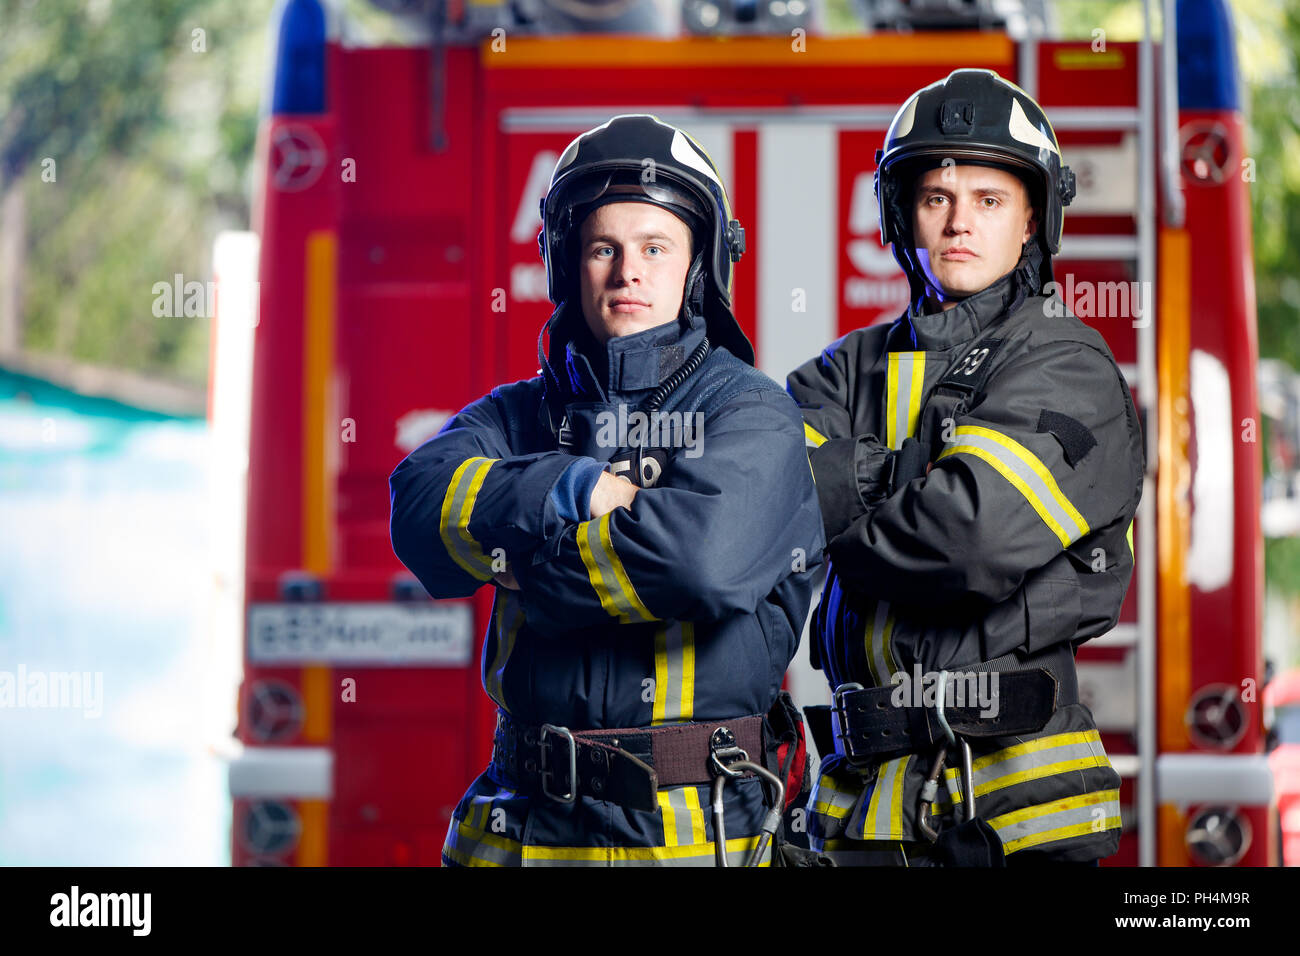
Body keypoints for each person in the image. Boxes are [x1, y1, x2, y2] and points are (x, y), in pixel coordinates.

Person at [390, 114, 824, 867]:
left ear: (697, 268)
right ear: (568, 264)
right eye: (603, 248)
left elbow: (700, 565)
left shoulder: (751, 413)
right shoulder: (518, 412)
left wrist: (527, 563)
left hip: (695, 838)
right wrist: (576, 485)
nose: (628, 271)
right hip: (518, 830)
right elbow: (418, 511)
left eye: (655, 248)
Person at [787, 69, 1144, 866]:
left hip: (1018, 813)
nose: (959, 223)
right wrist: (921, 474)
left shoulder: (1067, 361)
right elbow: (771, 507)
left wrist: (853, 485)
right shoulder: (844, 369)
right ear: (900, 215)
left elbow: (969, 538)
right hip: (859, 812)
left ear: (1031, 223)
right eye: (937, 198)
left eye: (990, 200)